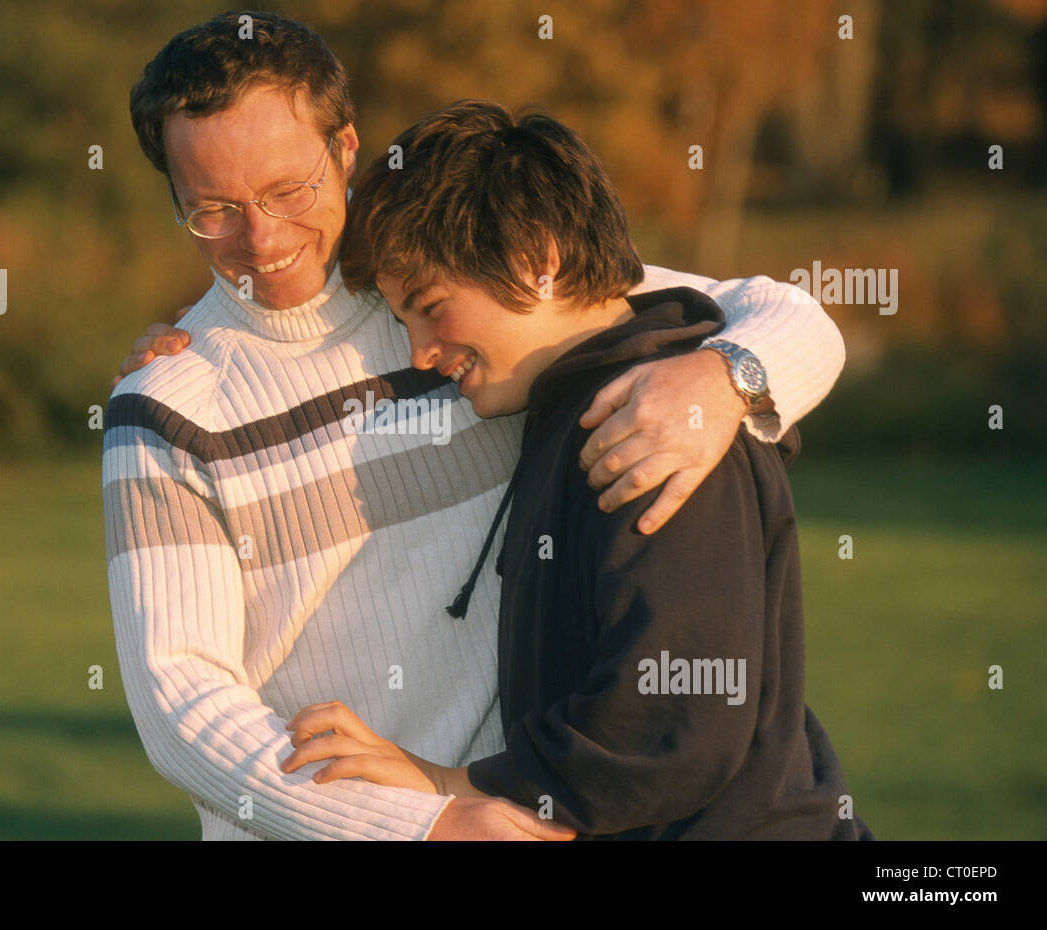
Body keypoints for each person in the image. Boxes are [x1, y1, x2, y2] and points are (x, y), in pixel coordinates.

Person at [105, 10, 846, 841]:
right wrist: (421, 824)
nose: (262, 238)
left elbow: (774, 310)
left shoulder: (454, 284)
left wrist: (721, 379)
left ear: (346, 149)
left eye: (289, 190)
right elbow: (184, 705)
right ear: (175, 195)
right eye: (213, 209)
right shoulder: (166, 406)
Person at [277, 100, 871, 839]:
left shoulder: (647, 419)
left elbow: (670, 727)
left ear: (537, 259)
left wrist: (448, 786)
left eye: (430, 308)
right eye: (403, 321)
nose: (420, 353)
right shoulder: (569, 404)